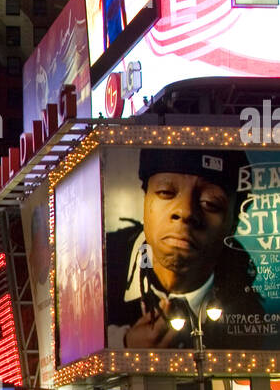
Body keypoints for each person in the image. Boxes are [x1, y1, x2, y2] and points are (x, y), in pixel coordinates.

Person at [106, 148, 265, 350]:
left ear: (234, 222)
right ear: (144, 199)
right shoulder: (98, 265)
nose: (186, 211)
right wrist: (122, 345)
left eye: (210, 203)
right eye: (166, 192)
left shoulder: (249, 313)